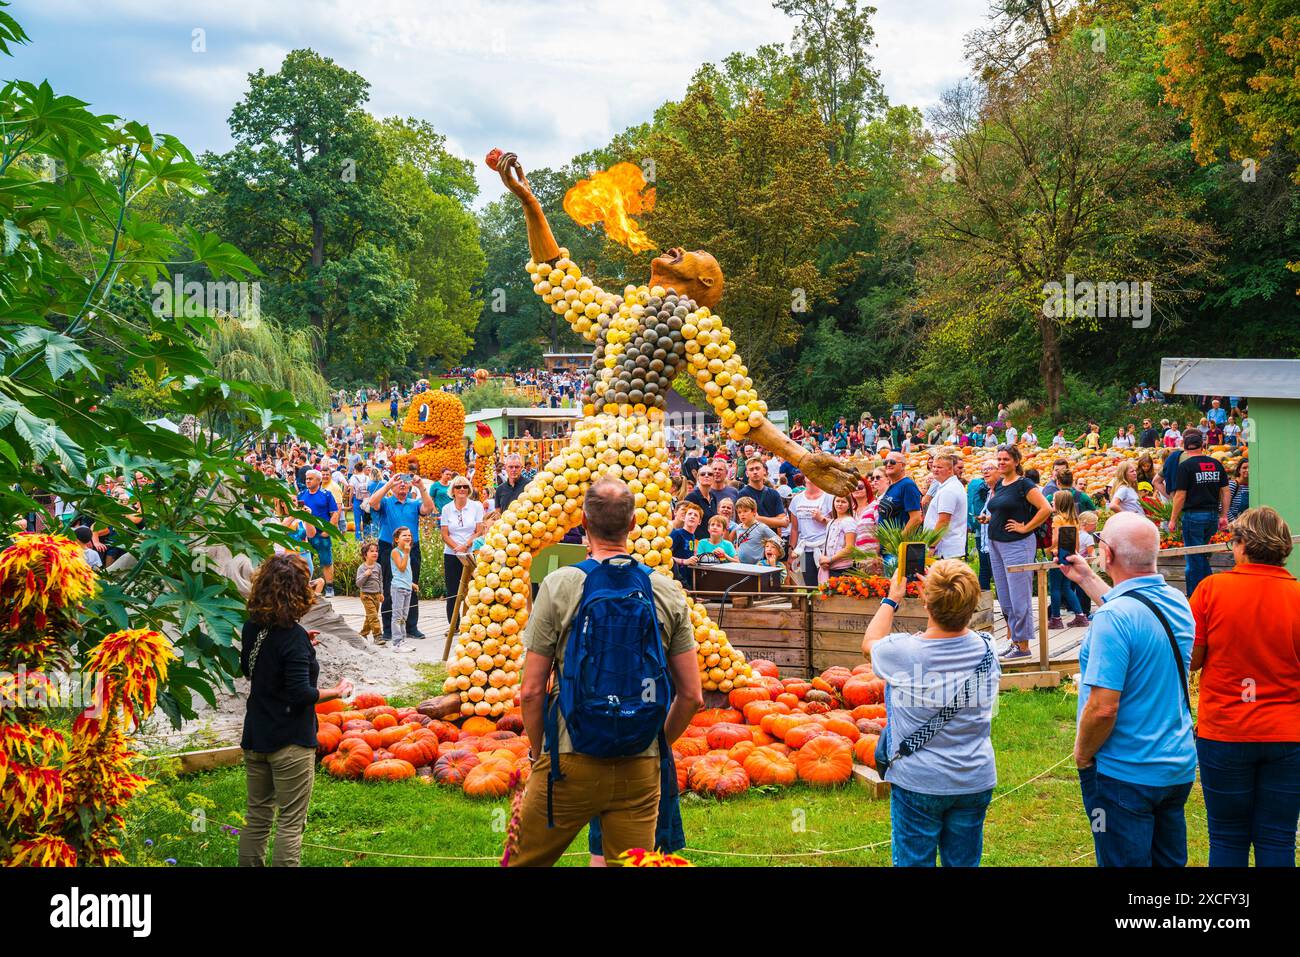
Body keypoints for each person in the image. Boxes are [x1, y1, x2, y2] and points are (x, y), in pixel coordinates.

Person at [509, 479, 703, 867]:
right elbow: (692, 696)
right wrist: (655, 743)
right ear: (633, 523)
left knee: (522, 862)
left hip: (568, 759)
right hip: (640, 765)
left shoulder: (559, 585)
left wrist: (537, 754)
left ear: (583, 522)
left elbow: (530, 691)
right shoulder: (665, 590)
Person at [1059, 512, 1197, 867]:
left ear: (1108, 555)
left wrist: (1083, 753)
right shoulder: (1176, 601)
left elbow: (1103, 707)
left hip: (1125, 772)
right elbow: (1135, 609)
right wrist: (1089, 580)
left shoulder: (1112, 619)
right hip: (1175, 765)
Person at [862, 560, 1000, 866]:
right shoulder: (988, 649)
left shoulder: (902, 652)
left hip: (919, 780)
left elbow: (869, 642)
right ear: (974, 602)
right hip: (974, 777)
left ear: (925, 601)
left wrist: (892, 597)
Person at [1189, 507, 1300, 867]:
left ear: (1241, 546)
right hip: (1288, 733)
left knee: (1227, 835)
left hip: (1226, 731)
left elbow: (1192, 658)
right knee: (1278, 837)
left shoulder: (1211, 590)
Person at [239, 553, 352, 866]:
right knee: (290, 822)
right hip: (290, 740)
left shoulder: (252, 628)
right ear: (298, 591)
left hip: (256, 734)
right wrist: (337, 691)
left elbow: (251, 669)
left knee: (257, 816)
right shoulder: (293, 639)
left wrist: (302, 644)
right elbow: (300, 693)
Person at [984, 445, 1051, 660]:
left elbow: (1046, 509)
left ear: (1016, 461)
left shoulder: (1024, 484)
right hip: (996, 544)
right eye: (999, 459)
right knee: (1004, 596)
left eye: (1006, 459)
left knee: (1018, 596)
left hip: (1017, 544)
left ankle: (1023, 646)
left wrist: (1025, 527)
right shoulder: (1001, 484)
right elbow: (1003, 510)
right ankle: (1014, 641)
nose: (1001, 462)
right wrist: (990, 519)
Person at [368, 471, 437, 641]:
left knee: (411, 585)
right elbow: (372, 502)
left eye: (406, 483)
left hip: (411, 548)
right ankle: (389, 629)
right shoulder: (386, 502)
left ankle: (411, 627)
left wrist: (421, 487)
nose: (403, 485)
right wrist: (388, 484)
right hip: (388, 547)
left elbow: (428, 508)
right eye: (399, 483)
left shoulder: (414, 503)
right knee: (389, 587)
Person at [1166, 429, 1231, 596]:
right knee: (1201, 556)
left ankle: (1197, 596)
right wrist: (1223, 516)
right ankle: (1209, 592)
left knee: (1194, 558)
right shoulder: (1216, 464)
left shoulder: (1185, 466)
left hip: (1193, 517)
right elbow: (1226, 491)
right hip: (1211, 517)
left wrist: (1173, 519)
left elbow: (1180, 495)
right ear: (1202, 446)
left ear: (1185, 448)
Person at [440, 476, 486, 624]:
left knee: (474, 589)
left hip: (471, 552)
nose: (461, 489)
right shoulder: (447, 508)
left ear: (469, 489)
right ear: (452, 490)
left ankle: (473, 622)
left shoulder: (476, 506)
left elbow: (479, 530)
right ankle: (453, 624)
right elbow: (444, 534)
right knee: (452, 591)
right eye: (458, 487)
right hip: (451, 554)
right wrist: (456, 548)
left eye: (465, 486)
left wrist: (465, 545)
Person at [1047, 491, 1089, 630]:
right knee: (1066, 587)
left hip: (1058, 555)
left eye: (1054, 499)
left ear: (1060, 502)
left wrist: (1050, 549)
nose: (1052, 501)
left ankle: (1056, 618)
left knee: (1055, 588)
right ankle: (1080, 615)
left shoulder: (1058, 518)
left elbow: (1056, 538)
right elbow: (1076, 540)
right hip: (1070, 554)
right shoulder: (1074, 519)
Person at [297, 469, 339, 597]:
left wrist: (328, 530)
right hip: (304, 534)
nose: (307, 481)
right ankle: (305, 587)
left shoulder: (326, 494)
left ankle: (329, 587)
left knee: (326, 561)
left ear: (319, 480)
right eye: (306, 478)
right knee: (304, 561)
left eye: (310, 478)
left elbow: (335, 512)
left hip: (321, 534)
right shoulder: (302, 494)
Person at [788, 480, 834, 586]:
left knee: (826, 587)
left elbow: (837, 524)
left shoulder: (829, 498)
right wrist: (791, 551)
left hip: (824, 549)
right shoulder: (797, 499)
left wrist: (822, 519)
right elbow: (794, 529)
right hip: (804, 549)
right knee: (809, 586)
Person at [924, 450, 968, 560]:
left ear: (950, 470)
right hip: (948, 547)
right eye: (933, 466)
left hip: (945, 549)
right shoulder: (947, 486)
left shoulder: (949, 490)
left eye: (939, 467)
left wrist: (932, 545)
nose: (935, 469)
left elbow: (943, 521)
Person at [741, 456, 789, 533]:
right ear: (747, 474)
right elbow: (747, 521)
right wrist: (776, 522)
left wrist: (757, 518)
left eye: (757, 468)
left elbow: (784, 522)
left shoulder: (774, 493)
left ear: (764, 471)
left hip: (771, 541)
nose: (755, 472)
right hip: (752, 540)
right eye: (751, 469)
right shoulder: (743, 494)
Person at [389, 526, 417, 653]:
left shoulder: (407, 552)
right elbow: (401, 567)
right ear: (396, 539)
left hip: (406, 587)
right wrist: (406, 553)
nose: (408, 537)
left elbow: (405, 571)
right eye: (404, 535)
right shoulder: (396, 552)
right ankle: (396, 643)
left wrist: (411, 583)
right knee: (398, 616)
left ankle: (402, 640)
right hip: (398, 588)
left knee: (404, 616)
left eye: (409, 535)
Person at [819, 495, 858, 582]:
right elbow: (826, 543)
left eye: (843, 502)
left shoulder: (849, 522)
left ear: (849, 505)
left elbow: (850, 548)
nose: (840, 504)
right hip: (830, 567)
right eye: (837, 501)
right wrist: (823, 559)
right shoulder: (831, 522)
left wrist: (830, 559)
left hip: (844, 569)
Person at [733, 496, 779, 564]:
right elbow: (738, 544)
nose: (742, 514)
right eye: (739, 512)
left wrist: (769, 554)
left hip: (758, 565)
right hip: (740, 565)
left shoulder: (762, 527)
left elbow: (778, 541)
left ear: (754, 511)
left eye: (745, 511)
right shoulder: (738, 528)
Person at [355, 541, 385, 645]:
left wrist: (381, 593)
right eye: (372, 551)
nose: (375, 553)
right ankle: (378, 636)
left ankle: (363, 634)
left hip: (376, 595)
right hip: (366, 595)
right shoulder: (362, 568)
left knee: (371, 616)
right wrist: (365, 575)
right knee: (373, 616)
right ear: (365, 554)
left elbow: (380, 580)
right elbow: (358, 583)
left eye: (376, 551)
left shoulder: (378, 566)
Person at [671, 502, 704, 587]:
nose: (692, 516)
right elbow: (665, 557)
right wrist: (684, 561)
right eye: (689, 514)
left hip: (686, 580)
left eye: (696, 515)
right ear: (684, 517)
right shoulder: (677, 534)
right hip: (675, 580)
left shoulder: (692, 537)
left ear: (699, 522)